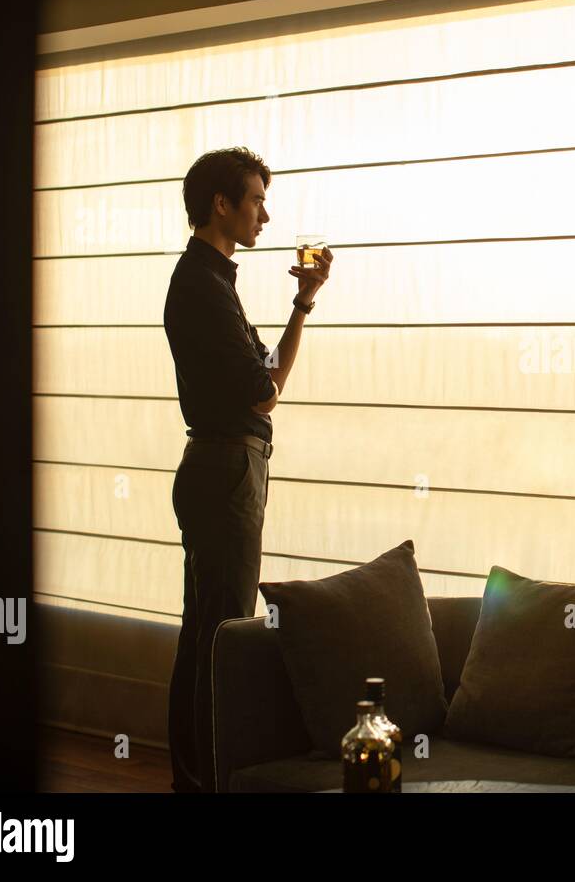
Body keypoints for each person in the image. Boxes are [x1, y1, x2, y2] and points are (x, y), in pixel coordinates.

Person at [162, 147, 333, 792]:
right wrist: (270, 377)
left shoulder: (215, 282)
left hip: (226, 466)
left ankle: (197, 779)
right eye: (256, 200)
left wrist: (303, 301)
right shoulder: (202, 286)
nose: (265, 213)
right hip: (225, 467)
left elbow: (269, 376)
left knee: (205, 629)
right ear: (221, 205)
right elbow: (265, 393)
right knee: (223, 635)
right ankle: (209, 780)